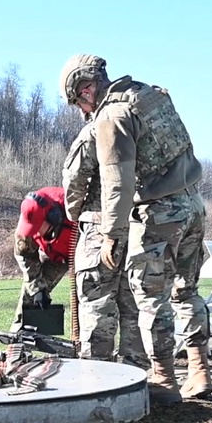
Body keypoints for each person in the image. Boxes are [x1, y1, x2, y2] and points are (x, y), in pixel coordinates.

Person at [59, 54, 209, 403]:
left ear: (87, 87)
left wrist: (112, 233)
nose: (82, 110)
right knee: (186, 291)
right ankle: (200, 371)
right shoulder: (149, 95)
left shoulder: (112, 116)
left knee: (150, 298)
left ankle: (163, 379)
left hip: (159, 214)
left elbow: (117, 180)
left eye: (79, 100)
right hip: (193, 205)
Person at [62, 121, 148, 369]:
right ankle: (136, 380)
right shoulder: (143, 125)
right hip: (140, 227)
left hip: (101, 225)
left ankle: (97, 378)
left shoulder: (98, 126)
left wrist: (77, 213)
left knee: (97, 306)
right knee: (136, 308)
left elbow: (75, 175)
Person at [11, 186, 75, 331]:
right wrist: (38, 289)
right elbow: (25, 256)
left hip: (81, 254)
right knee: (31, 295)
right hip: (52, 253)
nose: (34, 233)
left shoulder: (73, 205)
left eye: (37, 227)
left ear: (53, 217)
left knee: (88, 302)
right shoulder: (27, 219)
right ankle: (18, 339)